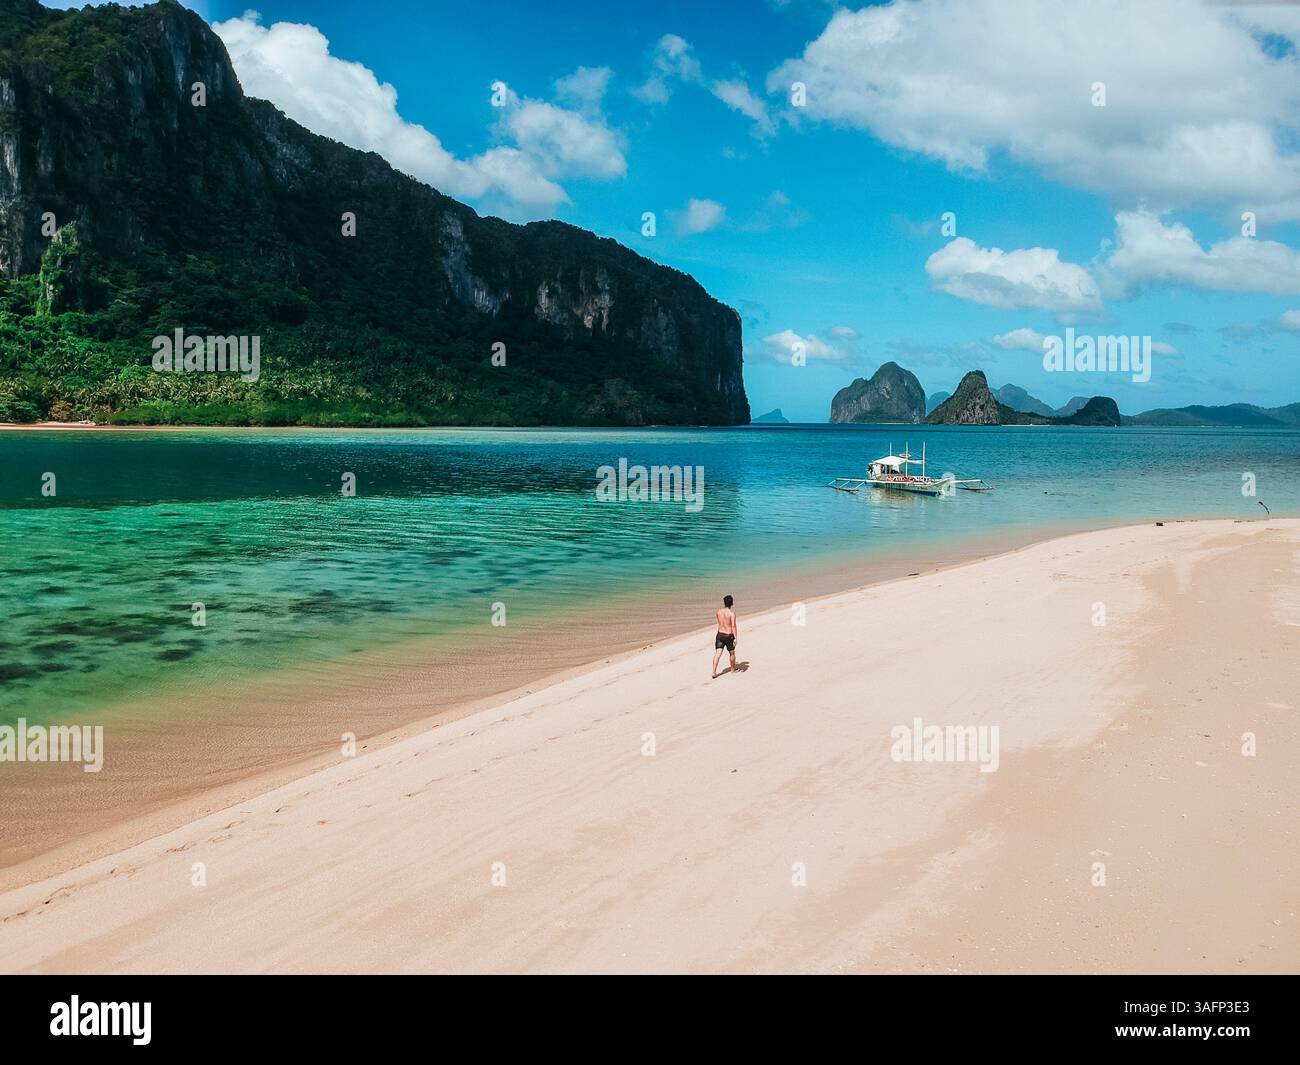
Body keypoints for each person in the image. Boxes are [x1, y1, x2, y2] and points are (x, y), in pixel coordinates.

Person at [712, 594, 738, 679]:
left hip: (720, 634)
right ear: (732, 603)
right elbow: (733, 626)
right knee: (732, 652)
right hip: (728, 635)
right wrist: (735, 638)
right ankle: (732, 669)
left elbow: (720, 622)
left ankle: (714, 672)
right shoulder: (731, 614)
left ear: (724, 603)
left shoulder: (718, 612)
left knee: (718, 653)